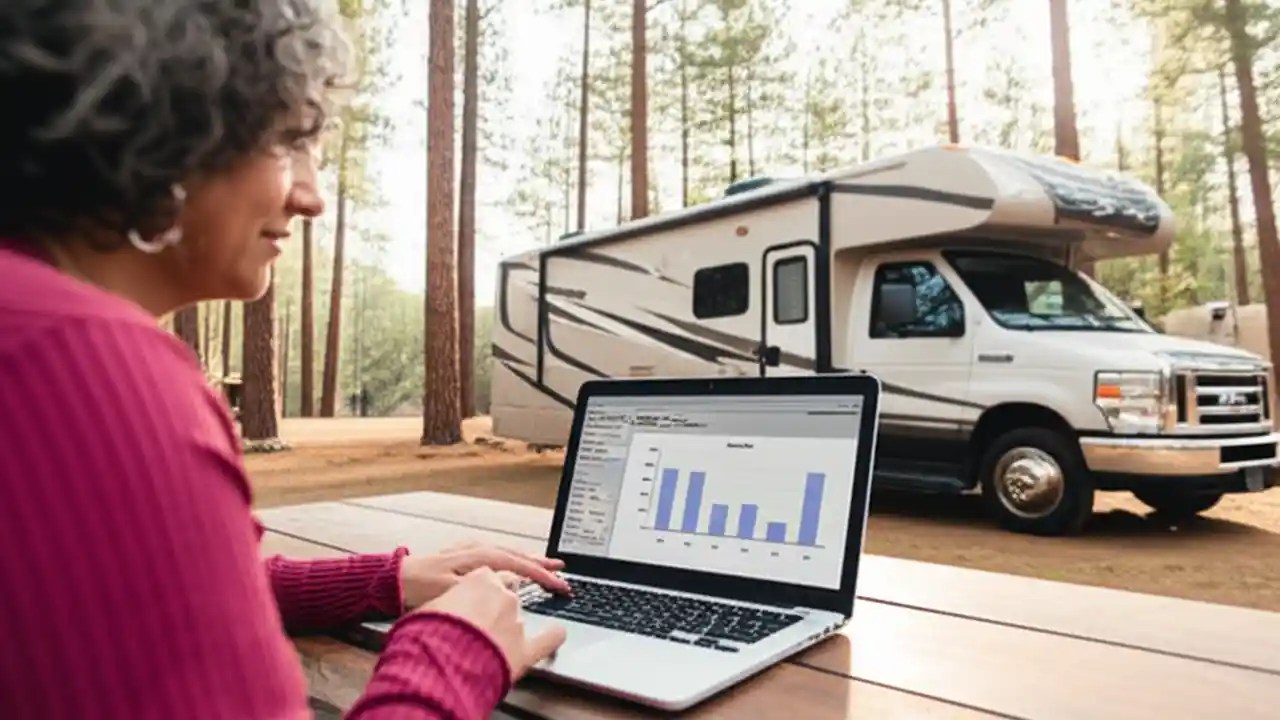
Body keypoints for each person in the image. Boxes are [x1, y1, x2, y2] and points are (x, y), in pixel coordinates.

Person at [0, 1, 567, 718]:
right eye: (285, 142)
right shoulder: (93, 370)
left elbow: (122, 583)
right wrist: (451, 655)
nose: (313, 197)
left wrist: (386, 580)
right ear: (163, 125)